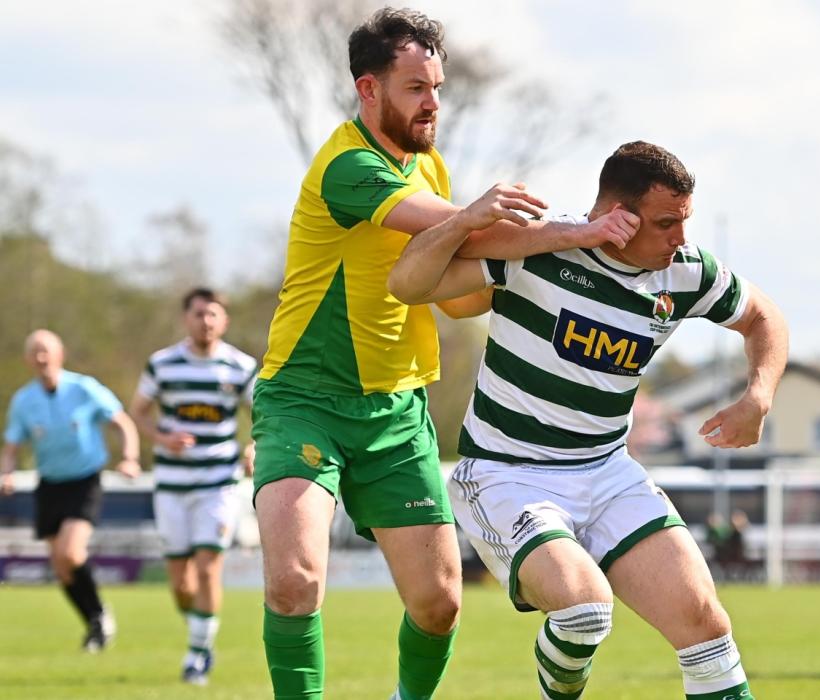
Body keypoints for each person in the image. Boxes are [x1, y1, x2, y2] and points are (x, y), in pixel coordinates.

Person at [249, 8, 637, 700]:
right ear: (368, 90)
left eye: (436, 86)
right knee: (295, 579)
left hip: (398, 411)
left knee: (439, 604)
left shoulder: (428, 163)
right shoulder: (347, 165)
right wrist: (582, 232)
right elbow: (468, 235)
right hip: (305, 401)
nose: (432, 102)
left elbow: (453, 286)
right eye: (414, 88)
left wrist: (520, 287)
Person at [389, 140, 789, 700]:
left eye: (684, 221)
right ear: (614, 215)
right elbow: (407, 283)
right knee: (584, 613)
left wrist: (759, 395)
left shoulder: (685, 270)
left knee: (707, 627)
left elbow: (764, 316)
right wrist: (466, 220)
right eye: (664, 222)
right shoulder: (540, 246)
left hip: (607, 471)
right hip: (509, 473)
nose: (680, 239)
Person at [129, 288, 258, 685]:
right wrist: (162, 438)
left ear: (224, 320)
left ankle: (197, 656)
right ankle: (201, 628)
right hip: (171, 483)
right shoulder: (162, 364)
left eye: (213, 314)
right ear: (186, 318)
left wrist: (253, 446)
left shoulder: (240, 366)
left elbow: (265, 415)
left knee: (207, 568)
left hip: (219, 482)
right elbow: (137, 412)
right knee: (180, 583)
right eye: (199, 314)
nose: (206, 321)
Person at [0, 330, 141, 651]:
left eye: (45, 351)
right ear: (27, 360)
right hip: (49, 484)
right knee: (61, 567)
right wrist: (6, 473)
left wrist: (130, 458)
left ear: (60, 354)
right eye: (34, 352)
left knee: (71, 552)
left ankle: (99, 615)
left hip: (83, 481)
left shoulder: (84, 388)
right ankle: (95, 619)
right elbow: (11, 446)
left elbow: (122, 422)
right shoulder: (24, 400)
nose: (40, 358)